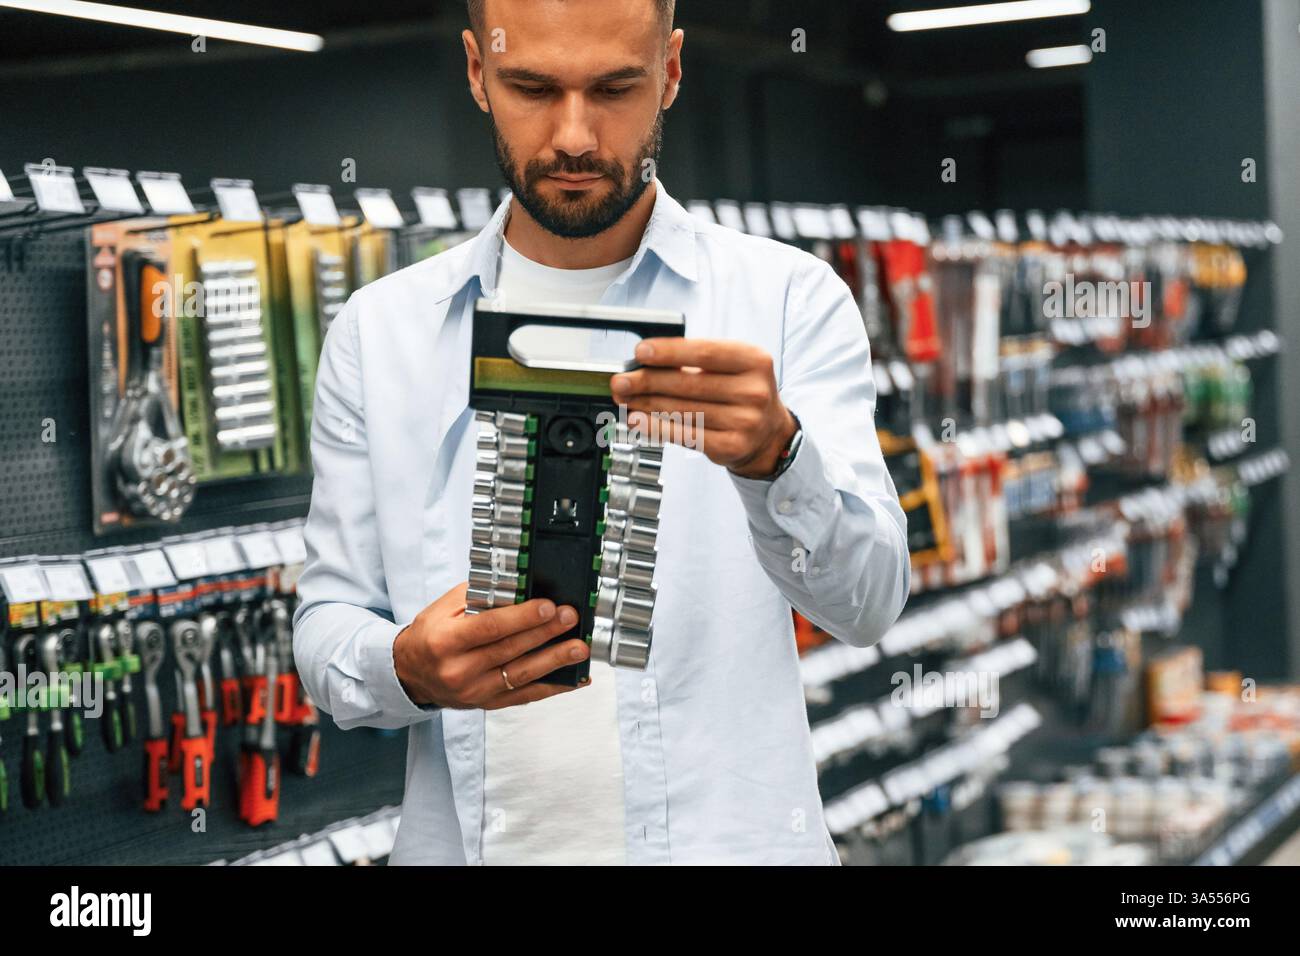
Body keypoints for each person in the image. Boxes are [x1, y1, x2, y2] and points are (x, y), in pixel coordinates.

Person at [292, 0, 909, 865]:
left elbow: (870, 603)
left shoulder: (784, 301)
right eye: (531, 87)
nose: (574, 136)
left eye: (615, 87)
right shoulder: (382, 330)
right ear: (477, 73)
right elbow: (325, 623)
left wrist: (779, 456)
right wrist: (406, 665)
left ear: (672, 71)